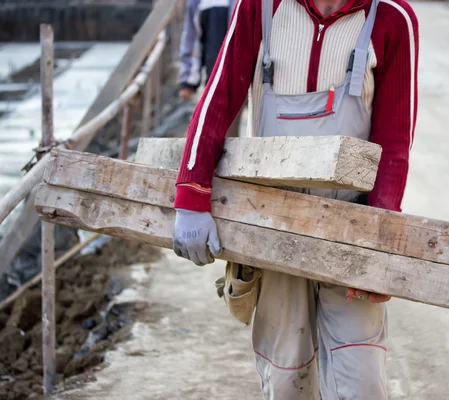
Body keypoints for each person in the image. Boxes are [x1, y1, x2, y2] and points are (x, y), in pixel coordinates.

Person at [172, 0, 418, 397]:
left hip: (349, 234)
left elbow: (394, 142)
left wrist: (379, 247)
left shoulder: (392, 18)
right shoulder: (258, 8)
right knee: (287, 379)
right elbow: (218, 98)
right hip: (273, 230)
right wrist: (192, 195)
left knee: (361, 382)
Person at [178, 0, 234, 102]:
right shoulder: (198, 2)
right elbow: (192, 39)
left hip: (249, 80)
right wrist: (188, 80)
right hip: (215, 82)